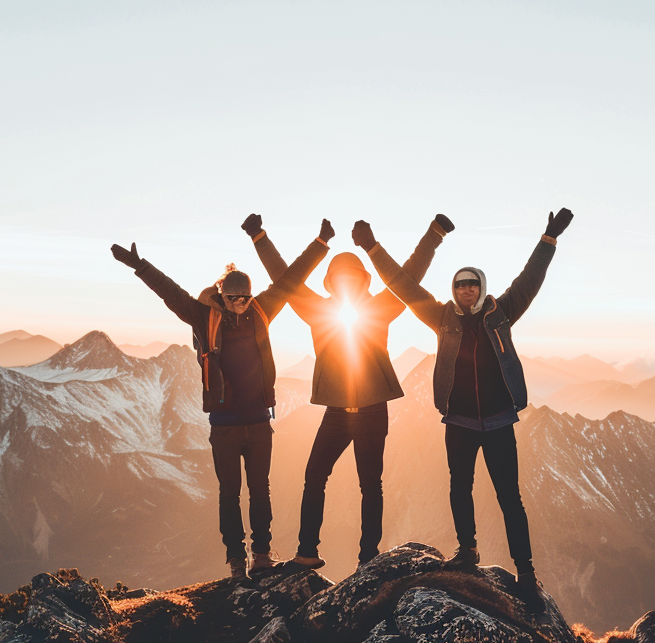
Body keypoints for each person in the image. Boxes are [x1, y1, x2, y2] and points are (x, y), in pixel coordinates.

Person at [351, 209, 574, 612]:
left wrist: (548, 239)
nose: (466, 290)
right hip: (459, 422)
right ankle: (467, 551)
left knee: (510, 497)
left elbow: (530, 280)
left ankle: (525, 572)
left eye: (472, 285)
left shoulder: (501, 312)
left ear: (481, 288)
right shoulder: (442, 318)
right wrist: (371, 247)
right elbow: (403, 285)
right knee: (460, 488)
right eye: (460, 285)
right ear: (453, 290)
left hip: (500, 421)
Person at [110, 221, 334, 578]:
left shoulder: (262, 309)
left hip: (259, 422)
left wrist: (321, 243)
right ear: (222, 295)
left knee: (260, 492)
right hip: (226, 426)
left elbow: (291, 278)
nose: (241, 304)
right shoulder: (204, 317)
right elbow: (172, 293)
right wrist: (140, 266)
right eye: (233, 298)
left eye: (245, 297)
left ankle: (261, 555)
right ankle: (236, 561)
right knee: (230, 494)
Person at [241, 213, 454, 569]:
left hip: (371, 411)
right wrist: (259, 237)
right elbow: (284, 278)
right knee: (316, 477)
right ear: (330, 283)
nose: (345, 283)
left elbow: (409, 276)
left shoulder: (376, 308)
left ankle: (367, 559)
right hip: (337, 413)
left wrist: (434, 235)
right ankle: (307, 553)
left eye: (351, 278)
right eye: (339, 279)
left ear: (362, 281)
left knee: (370, 485)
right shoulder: (322, 310)